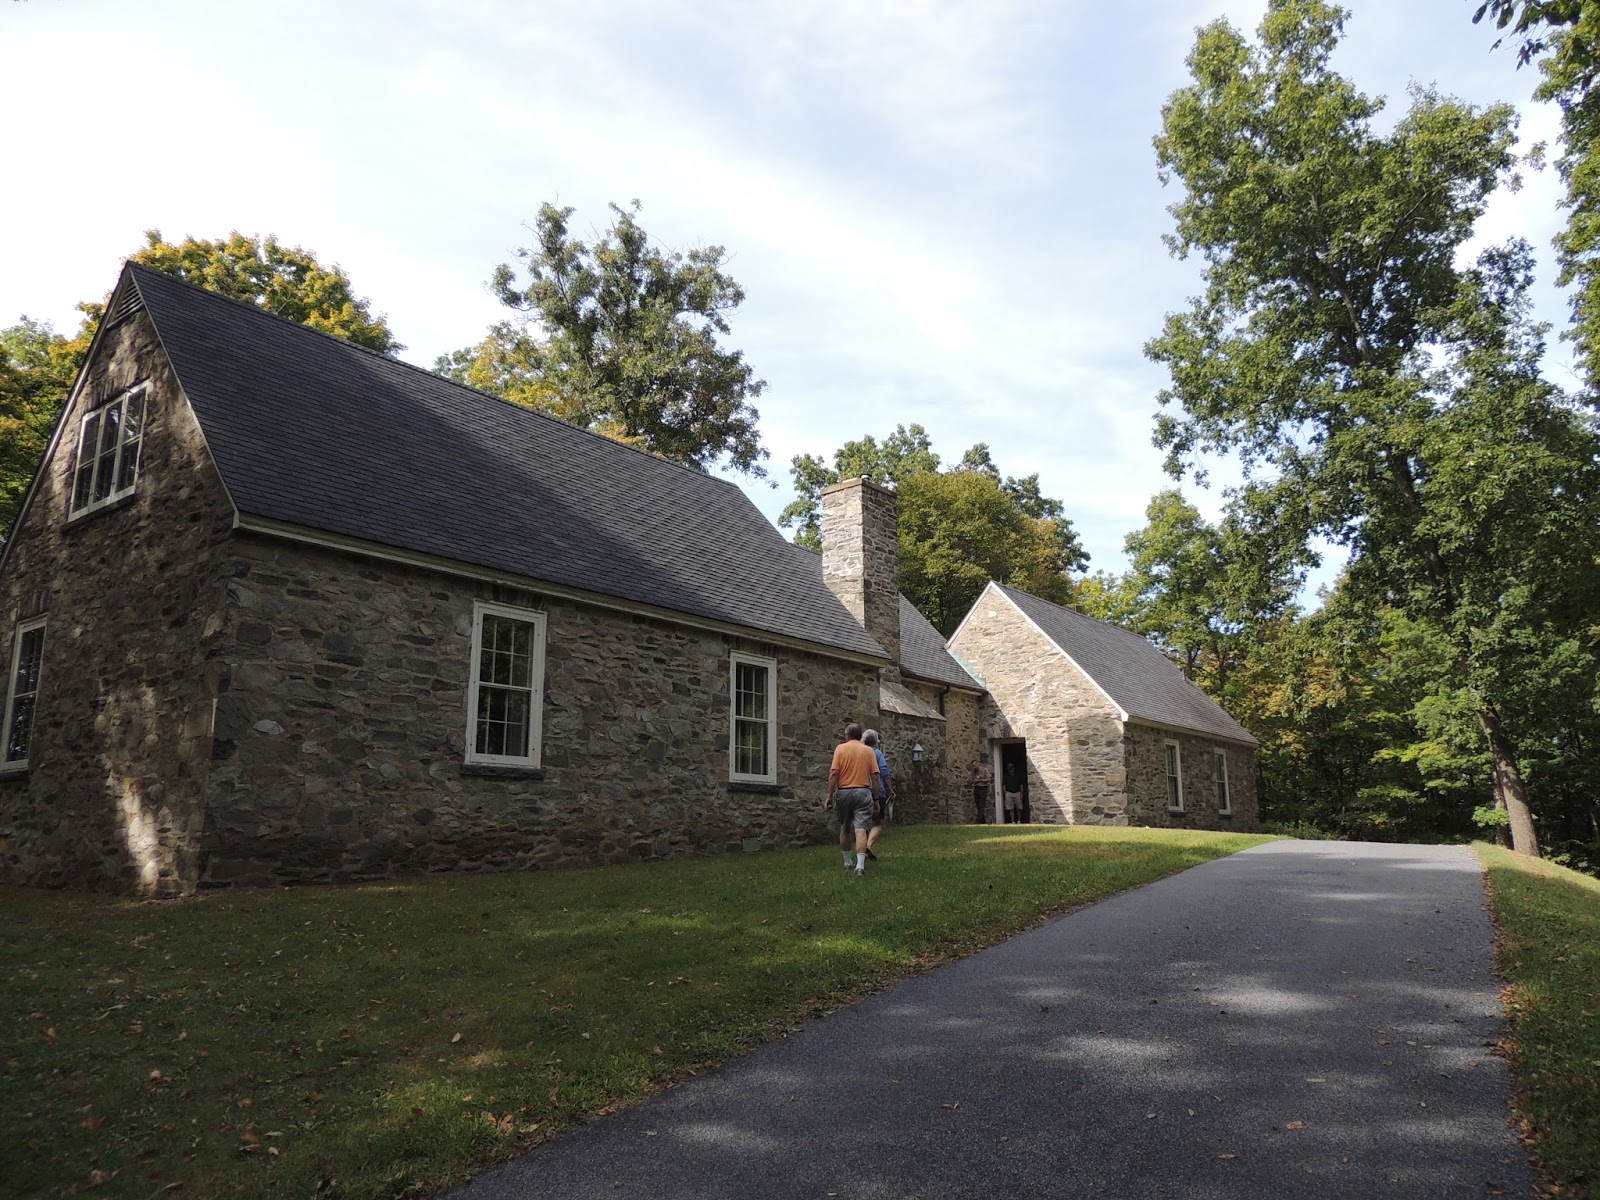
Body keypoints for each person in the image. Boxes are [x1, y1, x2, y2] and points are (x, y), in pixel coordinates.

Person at [826, 722, 879, 875]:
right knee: (861, 829)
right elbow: (875, 777)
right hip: (863, 792)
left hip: (843, 792)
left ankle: (847, 861)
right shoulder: (868, 751)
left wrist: (830, 795)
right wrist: (876, 799)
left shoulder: (840, 749)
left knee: (845, 827)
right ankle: (860, 866)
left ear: (847, 735)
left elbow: (834, 774)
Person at [862, 729, 894, 860]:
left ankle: (862, 847)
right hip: (877, 791)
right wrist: (890, 789)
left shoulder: (859, 753)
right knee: (878, 822)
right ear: (876, 742)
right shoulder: (877, 753)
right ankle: (868, 845)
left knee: (862, 822)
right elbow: (884, 771)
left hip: (861, 790)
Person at [969, 758, 992, 823]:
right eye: (973, 766)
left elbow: (989, 779)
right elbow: (970, 780)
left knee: (982, 804)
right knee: (978, 804)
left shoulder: (984, 770)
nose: (974, 767)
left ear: (978, 764)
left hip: (983, 788)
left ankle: (978, 820)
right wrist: (972, 781)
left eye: (974, 766)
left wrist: (979, 780)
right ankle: (983, 820)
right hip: (976, 788)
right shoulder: (973, 772)